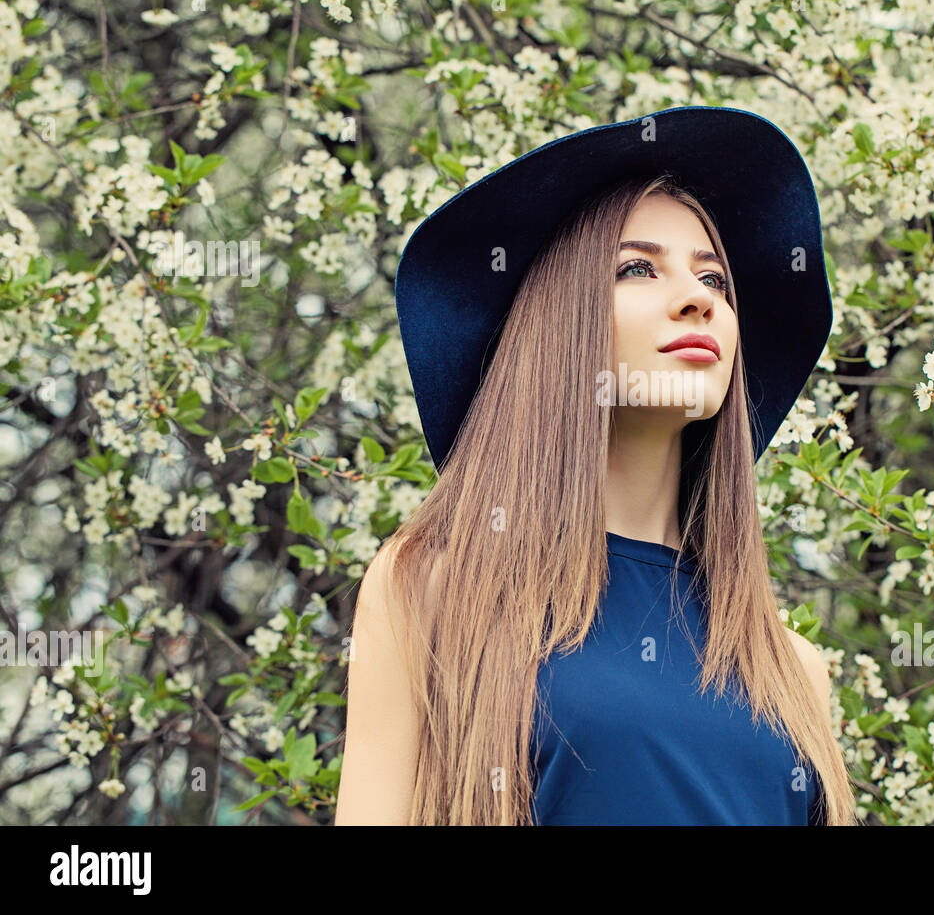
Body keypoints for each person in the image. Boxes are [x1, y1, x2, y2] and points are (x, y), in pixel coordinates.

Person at [335, 106, 857, 825]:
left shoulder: (793, 671)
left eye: (718, 282)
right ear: (559, 321)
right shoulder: (433, 588)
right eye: (637, 267)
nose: (697, 299)